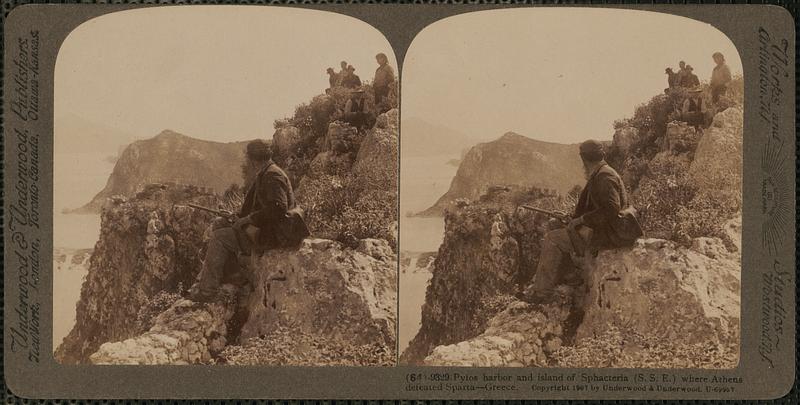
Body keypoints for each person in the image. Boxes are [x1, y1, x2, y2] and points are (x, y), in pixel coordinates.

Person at [523, 140, 641, 304]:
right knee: (553, 224)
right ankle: (571, 276)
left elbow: (611, 210)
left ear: (584, 160)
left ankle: (542, 292)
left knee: (552, 238)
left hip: (607, 234)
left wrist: (581, 220)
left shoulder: (604, 176)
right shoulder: (602, 172)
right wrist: (570, 216)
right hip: (603, 227)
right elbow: (597, 208)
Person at [189, 140, 303, 302]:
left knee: (220, 237)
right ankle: (231, 275)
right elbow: (253, 208)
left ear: (252, 159)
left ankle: (207, 291)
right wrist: (234, 214)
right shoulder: (266, 172)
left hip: (273, 236)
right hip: (268, 228)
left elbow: (278, 208)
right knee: (219, 223)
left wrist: (248, 219)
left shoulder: (272, 175)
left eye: (247, 158)